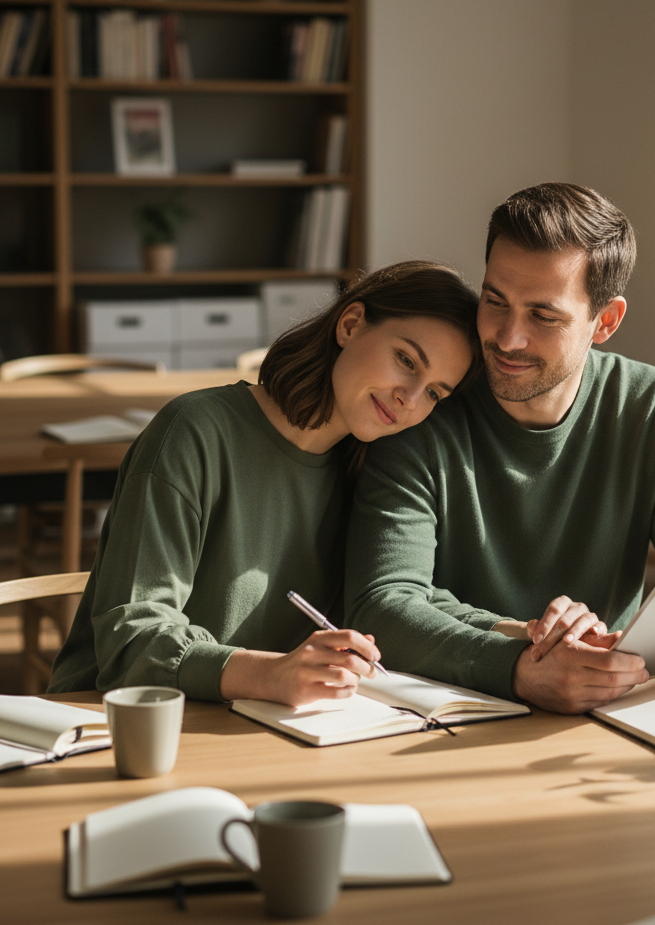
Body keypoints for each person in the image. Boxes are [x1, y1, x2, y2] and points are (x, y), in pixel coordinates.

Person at [344, 183, 655, 714]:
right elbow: (381, 605)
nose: (507, 338)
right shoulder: (426, 402)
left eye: (543, 316)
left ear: (606, 322)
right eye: (495, 301)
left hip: (612, 706)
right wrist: (517, 667)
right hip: (453, 706)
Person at [48, 261, 481, 706]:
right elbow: (131, 642)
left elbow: (411, 593)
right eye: (406, 361)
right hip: (112, 725)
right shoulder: (194, 433)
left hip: (260, 729)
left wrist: (518, 634)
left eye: (434, 392)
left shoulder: (368, 474)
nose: (409, 399)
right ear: (350, 324)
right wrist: (271, 674)